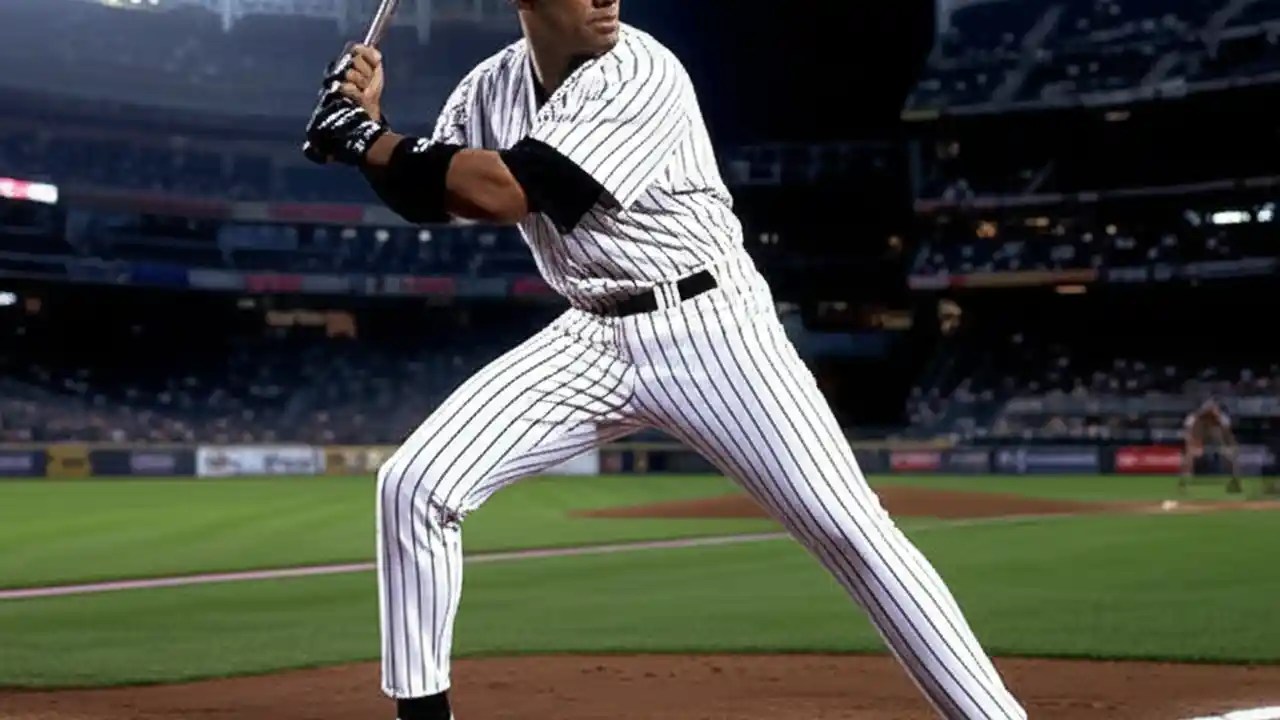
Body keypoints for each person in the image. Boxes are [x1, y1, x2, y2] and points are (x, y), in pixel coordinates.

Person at [303, 1, 1027, 718]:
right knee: (413, 486)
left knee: (852, 533)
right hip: (589, 332)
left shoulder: (640, 71)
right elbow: (436, 197)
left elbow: (501, 191)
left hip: (712, 328)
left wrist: (362, 136)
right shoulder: (491, 87)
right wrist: (370, 127)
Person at [1180, 398, 1240, 493]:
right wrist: (1192, 448)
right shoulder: (1193, 419)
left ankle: (1235, 483)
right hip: (1199, 443)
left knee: (1231, 457)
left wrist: (1230, 448)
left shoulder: (1222, 419)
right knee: (1188, 458)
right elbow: (1188, 437)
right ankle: (1184, 484)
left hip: (1217, 443)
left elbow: (1228, 436)